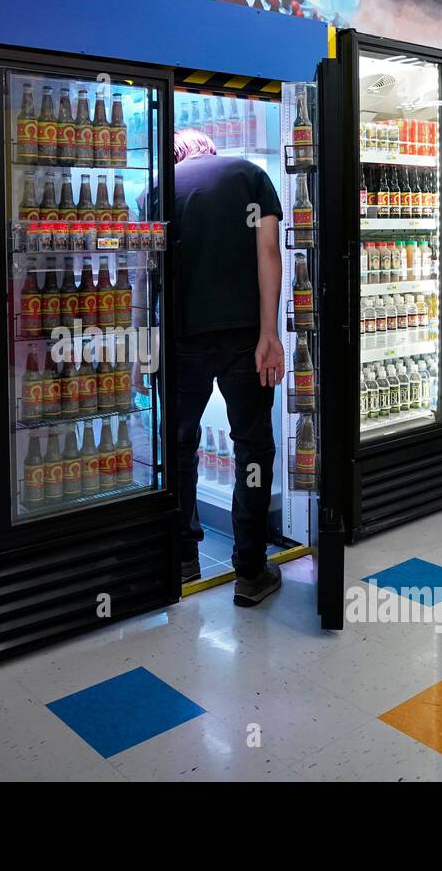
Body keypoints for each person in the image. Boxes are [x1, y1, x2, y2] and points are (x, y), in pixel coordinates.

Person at [171, 127, 284, 605]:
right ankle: (250, 571)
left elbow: (145, 271)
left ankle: (182, 559)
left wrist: (143, 348)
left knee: (178, 449)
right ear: (209, 147)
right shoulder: (250, 175)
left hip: (181, 342)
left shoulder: (157, 185)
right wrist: (269, 333)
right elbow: (268, 253)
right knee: (252, 450)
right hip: (244, 340)